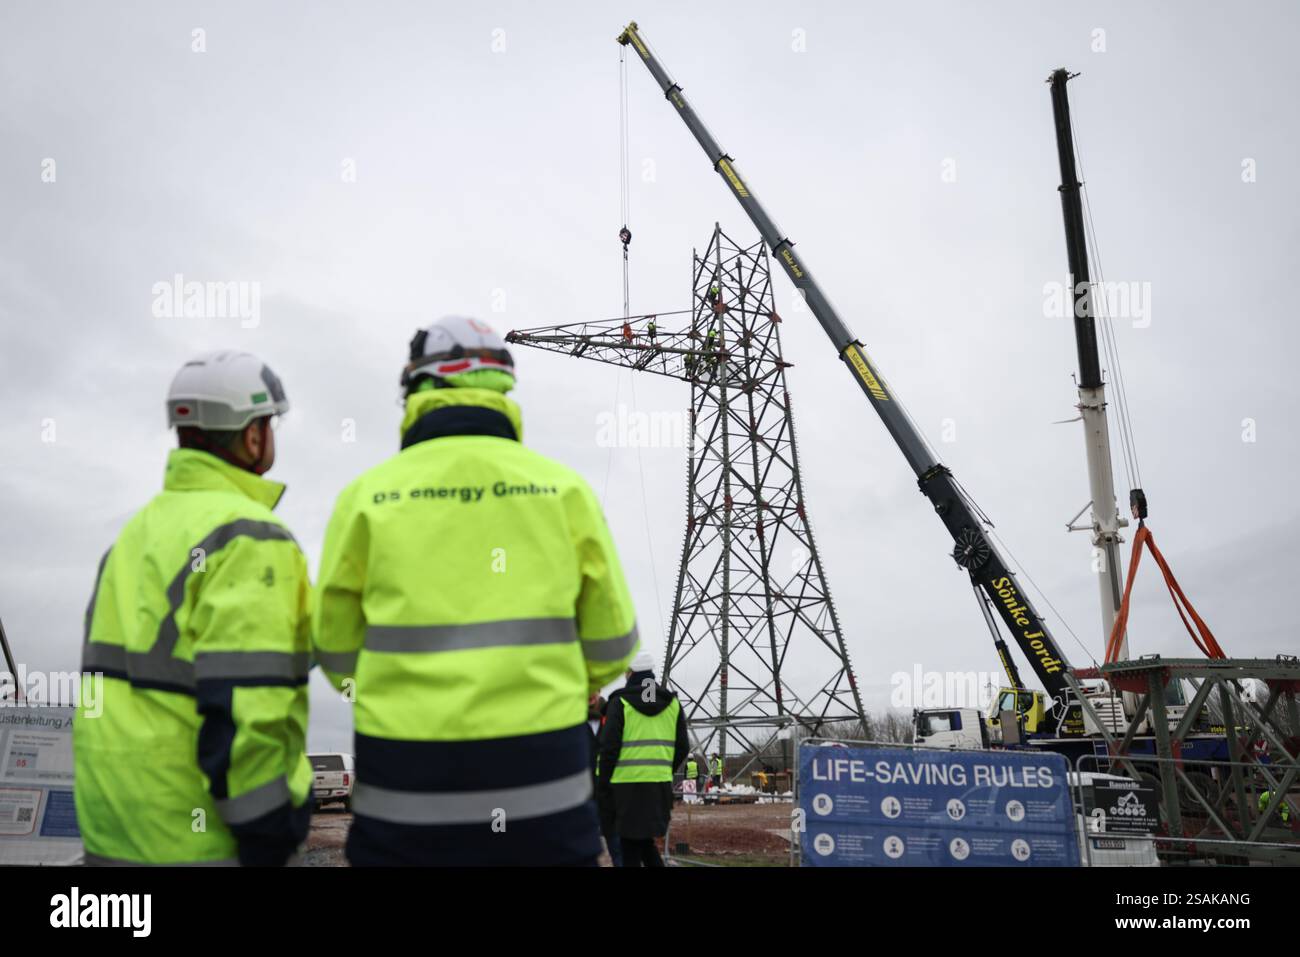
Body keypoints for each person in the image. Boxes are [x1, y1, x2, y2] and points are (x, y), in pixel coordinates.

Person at [314, 316, 639, 866]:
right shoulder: (564, 492)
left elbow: (334, 647)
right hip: (545, 799)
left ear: (416, 387)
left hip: (404, 796)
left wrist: (396, 692)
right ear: (502, 387)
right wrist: (553, 687)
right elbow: (613, 645)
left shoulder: (366, 498)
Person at [74, 351, 312, 865]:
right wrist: (271, 830)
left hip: (111, 828)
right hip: (199, 839)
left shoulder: (133, 537)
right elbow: (249, 706)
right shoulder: (249, 535)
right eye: (269, 423)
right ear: (252, 436)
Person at [597, 651, 690, 867]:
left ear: (630, 673)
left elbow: (609, 749)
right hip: (659, 787)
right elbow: (683, 746)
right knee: (642, 844)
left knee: (630, 847)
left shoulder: (621, 702)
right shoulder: (672, 703)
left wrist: (604, 784)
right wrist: (664, 768)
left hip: (625, 789)